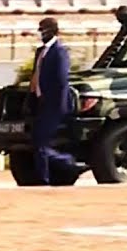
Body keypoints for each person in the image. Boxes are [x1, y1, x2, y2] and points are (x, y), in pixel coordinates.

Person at [29, 18, 87, 185]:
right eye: (40, 29)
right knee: (38, 143)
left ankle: (65, 165)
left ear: (53, 31)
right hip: (41, 104)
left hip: (54, 105)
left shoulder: (59, 52)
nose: (41, 33)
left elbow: (61, 81)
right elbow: (36, 76)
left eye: (44, 30)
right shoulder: (40, 52)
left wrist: (55, 105)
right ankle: (48, 176)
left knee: (40, 144)